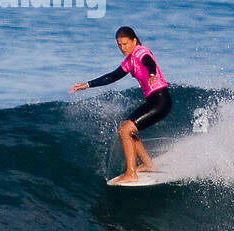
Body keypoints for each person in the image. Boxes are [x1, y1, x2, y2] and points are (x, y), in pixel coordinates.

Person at [71, 26, 171, 184]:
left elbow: (149, 62)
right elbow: (112, 77)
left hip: (160, 100)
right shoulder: (130, 60)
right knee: (126, 130)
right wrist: (88, 84)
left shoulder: (140, 52)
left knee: (126, 130)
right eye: (119, 45)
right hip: (153, 100)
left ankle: (131, 173)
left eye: (125, 44)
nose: (122, 48)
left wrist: (152, 74)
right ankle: (147, 164)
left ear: (134, 41)